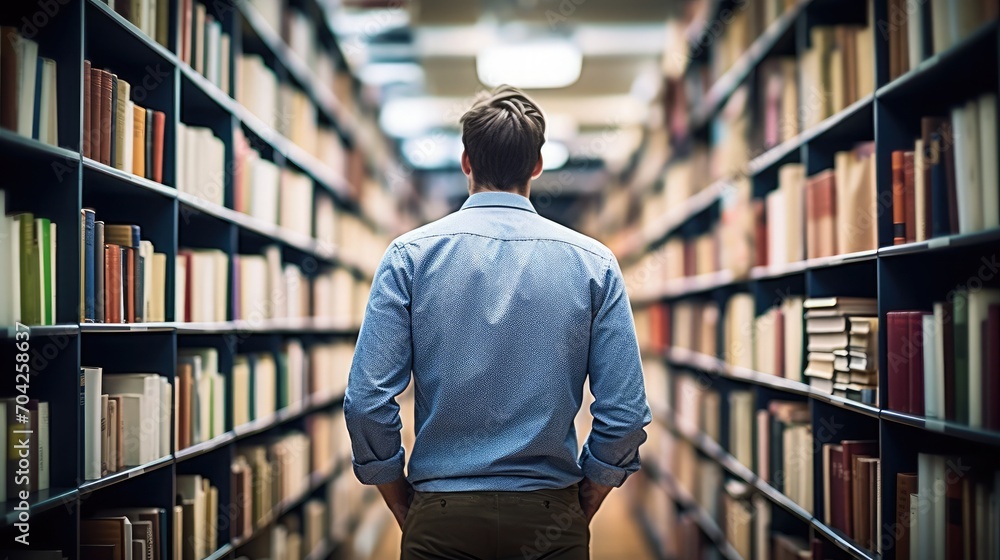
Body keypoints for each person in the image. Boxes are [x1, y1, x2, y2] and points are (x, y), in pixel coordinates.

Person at [344, 84, 651, 559]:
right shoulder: (595, 264)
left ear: (466, 161)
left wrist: (401, 499)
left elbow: (367, 402)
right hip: (550, 516)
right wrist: (584, 500)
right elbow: (625, 412)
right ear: (537, 165)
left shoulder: (410, 257)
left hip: (441, 514)